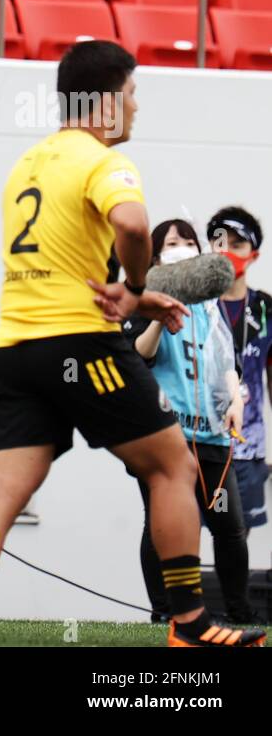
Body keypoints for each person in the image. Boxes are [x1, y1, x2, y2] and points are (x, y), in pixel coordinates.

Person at [0, 40, 265, 647]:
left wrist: (137, 301)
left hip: (13, 351)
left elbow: (65, 274)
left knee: (4, 488)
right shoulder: (102, 162)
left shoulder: (27, 166)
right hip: (79, 347)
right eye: (134, 93)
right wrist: (138, 282)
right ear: (108, 99)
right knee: (173, 466)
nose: (137, 107)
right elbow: (135, 224)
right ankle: (190, 624)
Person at [125, 219, 258, 623]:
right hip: (165, 436)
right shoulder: (144, 297)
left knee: (229, 527)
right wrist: (159, 315)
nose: (181, 247)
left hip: (213, 436)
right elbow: (137, 353)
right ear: (156, 255)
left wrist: (235, 400)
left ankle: (239, 612)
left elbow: (228, 364)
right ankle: (163, 612)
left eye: (188, 241)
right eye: (171, 242)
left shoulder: (212, 306)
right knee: (161, 524)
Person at [207, 206, 271, 532]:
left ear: (254, 253)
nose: (227, 251)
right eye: (221, 242)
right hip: (198, 445)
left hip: (247, 449)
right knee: (181, 531)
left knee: (237, 541)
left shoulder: (266, 309)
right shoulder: (195, 306)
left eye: (237, 244)